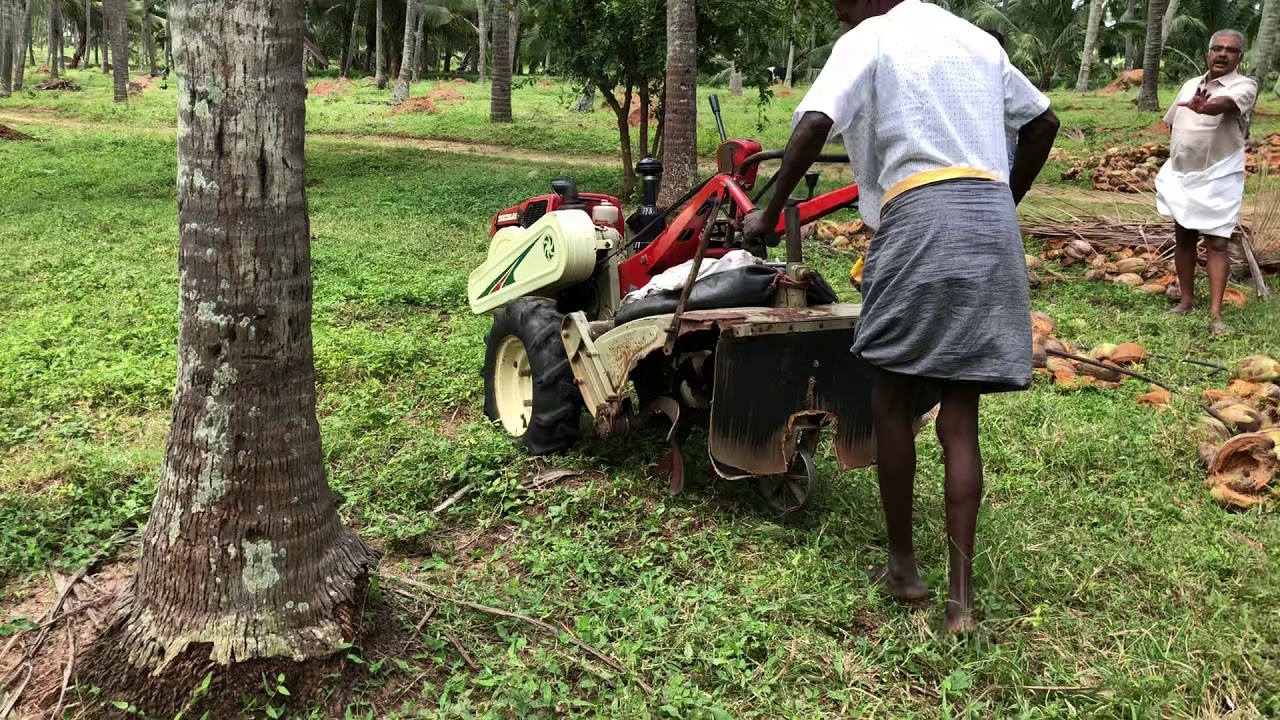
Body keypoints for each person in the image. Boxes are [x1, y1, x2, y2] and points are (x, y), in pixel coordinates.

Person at [742, 0, 1059, 633]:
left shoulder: (873, 36)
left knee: (890, 398)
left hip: (918, 221)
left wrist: (767, 212)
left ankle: (903, 572)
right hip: (991, 222)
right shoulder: (975, 39)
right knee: (960, 418)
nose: (835, 11)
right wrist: (998, 201)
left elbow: (811, 124)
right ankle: (961, 604)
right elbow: (1043, 124)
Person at [1156, 30, 1257, 336]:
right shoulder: (1190, 85)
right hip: (1183, 174)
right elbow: (1172, 121)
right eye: (1217, 48)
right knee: (1183, 237)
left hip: (1218, 175)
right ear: (1208, 52)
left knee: (1217, 242)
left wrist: (1206, 106)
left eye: (1230, 50)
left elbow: (1224, 104)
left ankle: (1215, 312)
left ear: (1239, 57)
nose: (1222, 54)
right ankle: (1186, 301)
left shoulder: (1244, 85)